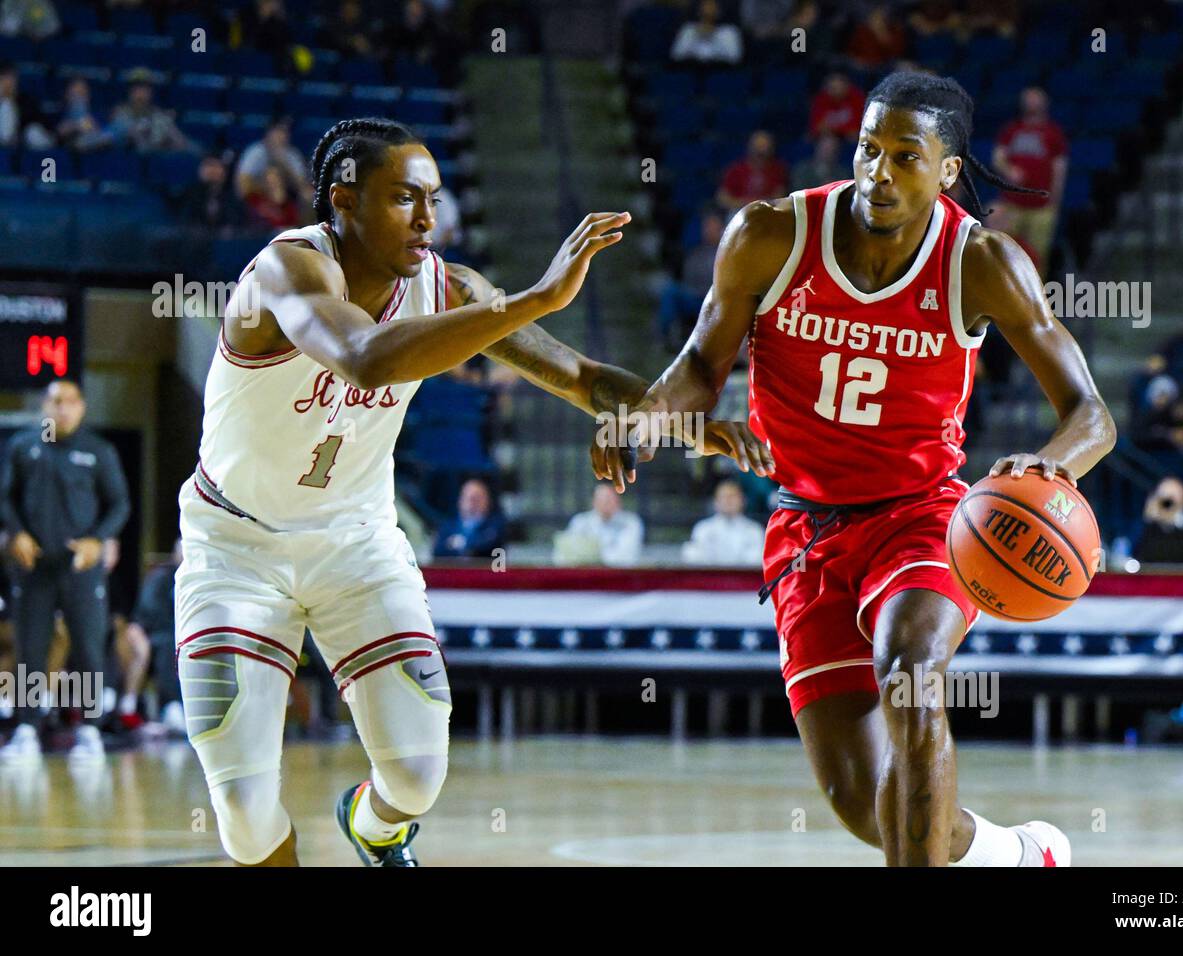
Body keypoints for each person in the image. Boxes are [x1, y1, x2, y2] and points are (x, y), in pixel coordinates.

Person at [174, 117, 758, 867]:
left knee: (417, 776)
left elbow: (578, 377)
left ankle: (374, 825)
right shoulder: (284, 273)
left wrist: (696, 428)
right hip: (236, 548)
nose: (429, 217)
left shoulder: (448, 287)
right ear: (345, 201)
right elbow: (362, 357)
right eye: (404, 198)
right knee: (247, 818)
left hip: (355, 541)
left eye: (435, 198)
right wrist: (535, 298)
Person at [595, 71, 1118, 866]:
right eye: (869, 148)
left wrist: (1048, 465)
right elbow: (701, 365)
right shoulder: (771, 233)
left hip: (921, 515)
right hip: (804, 526)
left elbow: (1091, 414)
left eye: (906, 156)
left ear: (947, 170)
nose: (879, 170)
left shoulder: (980, 261)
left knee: (911, 670)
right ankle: (1016, 855)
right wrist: (644, 416)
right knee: (865, 806)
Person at [0, 381, 131, 765]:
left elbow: (120, 503)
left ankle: (89, 728)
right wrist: (17, 533)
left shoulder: (97, 451)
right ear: (45, 405)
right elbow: (5, 496)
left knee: (89, 647)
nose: (63, 409)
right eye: (56, 402)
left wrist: (98, 540)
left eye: (71, 402)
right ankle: (27, 728)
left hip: (80, 568)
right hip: (33, 567)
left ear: (82, 408)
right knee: (31, 647)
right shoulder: (25, 446)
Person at [988, 87, 1068, 277]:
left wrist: (1055, 199)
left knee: (1038, 258)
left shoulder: (1053, 133)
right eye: (1028, 99)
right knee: (1007, 254)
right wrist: (1009, 170)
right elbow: (997, 158)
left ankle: (1036, 300)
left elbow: (1059, 168)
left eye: (1035, 99)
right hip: (1012, 203)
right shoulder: (1012, 130)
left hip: (1041, 206)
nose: (1031, 103)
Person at [118, 539, 185, 737]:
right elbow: (147, 613)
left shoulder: (199, 580)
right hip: (158, 634)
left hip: (187, 635)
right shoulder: (160, 578)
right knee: (168, 646)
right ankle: (171, 705)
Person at [658, 208, 723, 346]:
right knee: (670, 290)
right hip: (695, 296)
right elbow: (689, 276)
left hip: (717, 301)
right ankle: (666, 336)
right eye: (706, 226)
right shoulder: (697, 251)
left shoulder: (728, 252)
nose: (708, 230)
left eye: (712, 226)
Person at [106, 71, 198, 154]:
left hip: (157, 162)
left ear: (151, 92)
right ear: (129, 91)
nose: (140, 94)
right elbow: (132, 140)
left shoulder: (159, 114)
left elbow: (180, 141)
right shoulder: (119, 112)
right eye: (136, 89)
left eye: (144, 89)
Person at [555, 483, 644, 567]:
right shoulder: (581, 521)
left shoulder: (630, 522)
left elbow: (625, 556)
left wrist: (591, 558)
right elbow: (564, 554)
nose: (605, 503)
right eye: (601, 499)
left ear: (618, 501)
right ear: (594, 502)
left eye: (609, 499)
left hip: (618, 577)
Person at [682, 479, 764, 566]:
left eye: (732, 497)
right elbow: (693, 557)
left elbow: (757, 561)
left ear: (742, 501)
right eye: (723, 497)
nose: (728, 501)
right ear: (715, 502)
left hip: (743, 578)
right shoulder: (703, 528)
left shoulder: (754, 530)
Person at [235, 117, 311, 202]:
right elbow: (242, 186)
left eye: (286, 132)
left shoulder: (293, 154)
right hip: (259, 201)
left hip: (287, 201)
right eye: (278, 131)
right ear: (268, 132)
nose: (282, 136)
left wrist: (283, 164)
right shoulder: (255, 152)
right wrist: (267, 186)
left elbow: (304, 188)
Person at [717, 130, 789, 213]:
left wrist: (759, 205)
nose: (760, 151)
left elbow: (779, 197)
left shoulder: (777, 170)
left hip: (767, 213)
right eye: (757, 147)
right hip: (739, 210)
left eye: (764, 147)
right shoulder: (736, 170)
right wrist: (745, 204)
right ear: (750, 147)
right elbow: (722, 197)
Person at [1133, 476, 1183, 565]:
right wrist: (1149, 520)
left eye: (1172, 497)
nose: (1168, 503)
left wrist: (1174, 521)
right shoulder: (1146, 527)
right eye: (1164, 497)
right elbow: (1136, 556)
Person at [433, 478, 506, 558]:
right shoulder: (448, 525)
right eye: (468, 498)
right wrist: (470, 547)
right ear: (460, 501)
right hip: (453, 569)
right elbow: (438, 550)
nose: (472, 502)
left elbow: (488, 546)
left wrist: (461, 543)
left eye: (477, 498)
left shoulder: (496, 524)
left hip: (485, 569)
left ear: (487, 501)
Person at [178, 154, 246, 234]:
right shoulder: (191, 193)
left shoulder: (234, 194)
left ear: (225, 170)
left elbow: (237, 222)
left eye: (215, 166)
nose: (211, 171)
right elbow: (185, 221)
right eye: (207, 165)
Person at [669, 0, 743, 65]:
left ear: (719, 11)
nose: (708, 9)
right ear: (698, 10)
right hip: (692, 70)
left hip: (720, 72)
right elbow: (676, 55)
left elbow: (735, 57)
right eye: (705, 6)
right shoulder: (688, 29)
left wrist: (714, 35)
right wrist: (695, 35)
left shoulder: (729, 31)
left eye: (712, 6)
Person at [808, 73, 867, 142]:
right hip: (827, 138)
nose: (835, 92)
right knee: (828, 141)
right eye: (832, 88)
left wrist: (832, 128)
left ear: (846, 86)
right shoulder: (821, 99)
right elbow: (816, 127)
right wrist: (841, 129)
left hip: (851, 140)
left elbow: (855, 130)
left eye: (838, 87)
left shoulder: (857, 98)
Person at [244, 166, 300, 232]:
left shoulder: (292, 199)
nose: (272, 183)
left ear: (282, 180)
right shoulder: (257, 200)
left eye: (275, 179)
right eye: (269, 180)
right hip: (263, 237)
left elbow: (294, 222)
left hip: (287, 236)